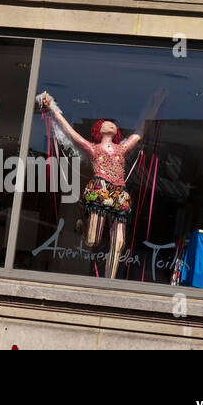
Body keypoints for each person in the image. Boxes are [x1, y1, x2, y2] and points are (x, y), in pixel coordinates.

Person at [37, 91, 148, 279]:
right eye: (106, 122)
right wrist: (52, 109)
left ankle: (109, 281)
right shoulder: (93, 148)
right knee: (92, 240)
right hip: (100, 189)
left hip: (119, 193)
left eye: (113, 124)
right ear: (99, 129)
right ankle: (82, 227)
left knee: (119, 243)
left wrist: (153, 105)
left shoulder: (122, 148)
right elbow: (69, 132)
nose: (111, 124)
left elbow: (139, 131)